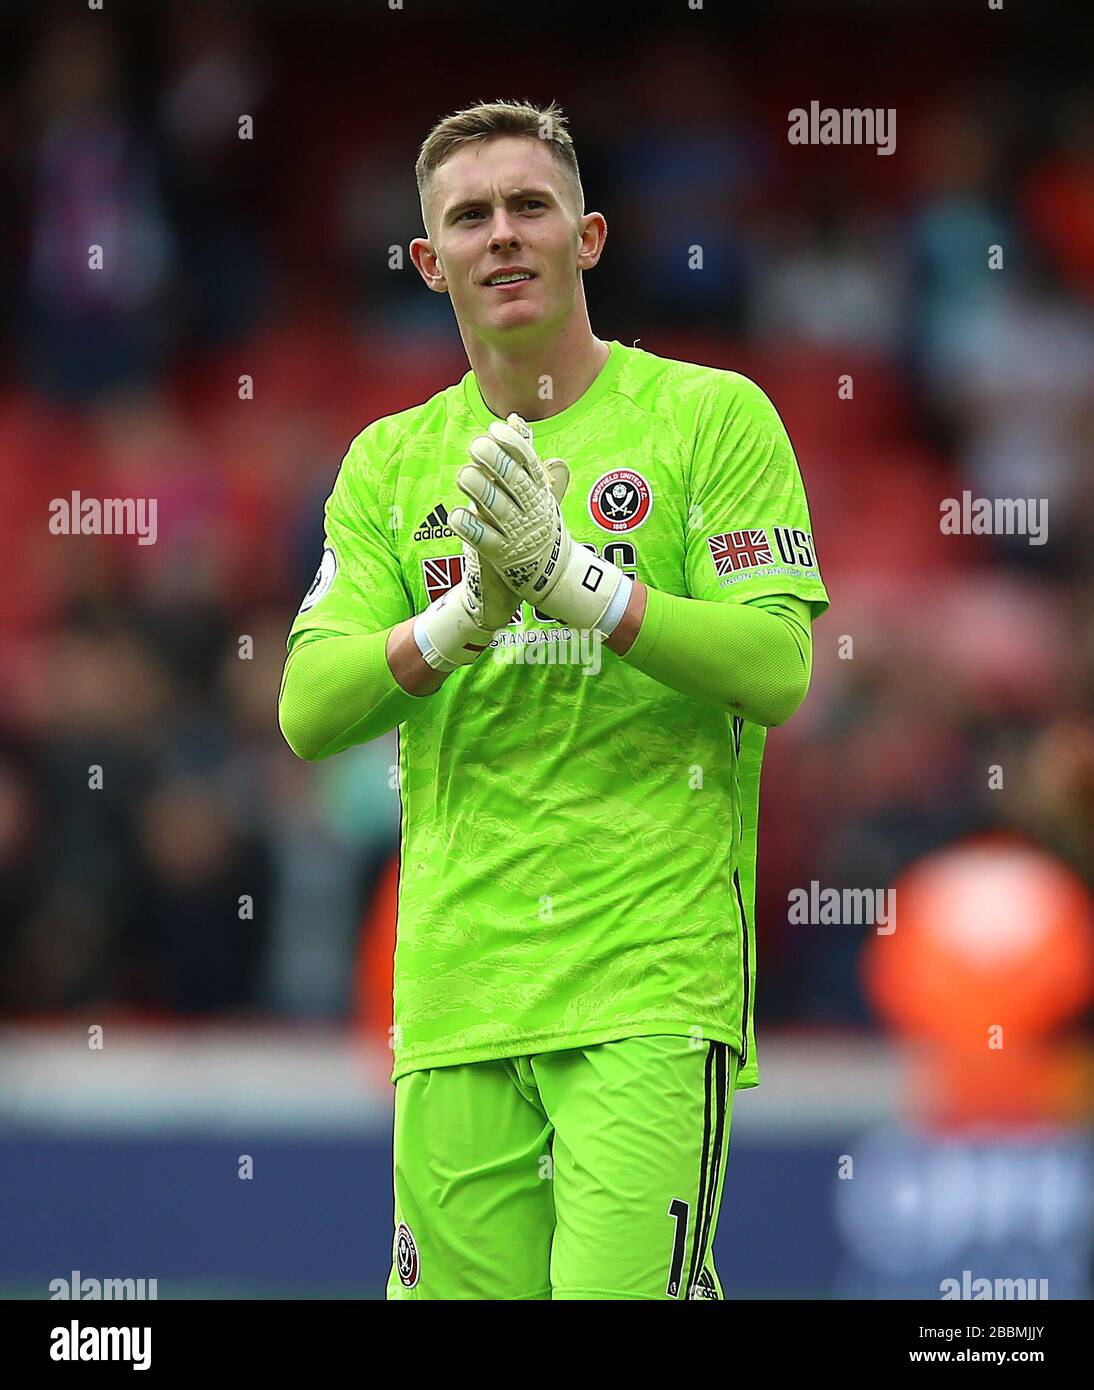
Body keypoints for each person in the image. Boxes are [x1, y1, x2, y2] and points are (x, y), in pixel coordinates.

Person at [279, 99, 830, 1301]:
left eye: (530, 206)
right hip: (456, 991)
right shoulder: (389, 462)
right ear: (427, 262)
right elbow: (308, 708)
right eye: (468, 217)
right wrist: (457, 620)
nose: (502, 235)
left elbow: (775, 669)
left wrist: (582, 588)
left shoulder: (709, 417)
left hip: (647, 975)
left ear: (586, 237)